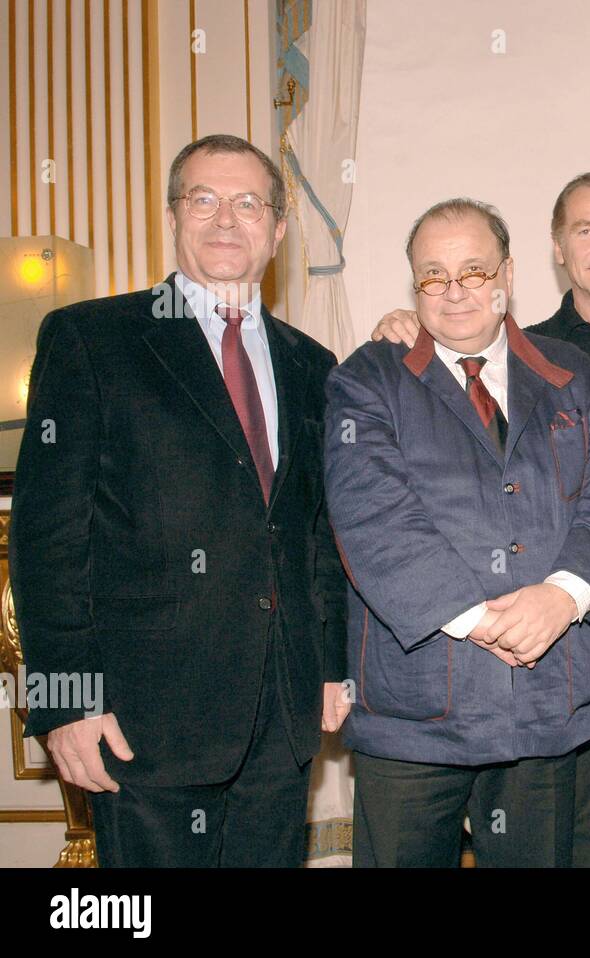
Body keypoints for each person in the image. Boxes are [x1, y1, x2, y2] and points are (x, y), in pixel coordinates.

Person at [10, 134, 350, 867]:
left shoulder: (310, 363)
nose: (226, 218)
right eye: (204, 199)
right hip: (143, 720)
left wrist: (328, 666)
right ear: (173, 215)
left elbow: (316, 535)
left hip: (281, 719)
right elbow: (45, 540)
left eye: (248, 202)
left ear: (278, 228)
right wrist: (67, 699)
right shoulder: (91, 339)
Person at [371, 173, 590, 867]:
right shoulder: (525, 351)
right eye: (583, 230)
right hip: (556, 599)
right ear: (554, 249)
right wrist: (405, 331)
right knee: (564, 788)